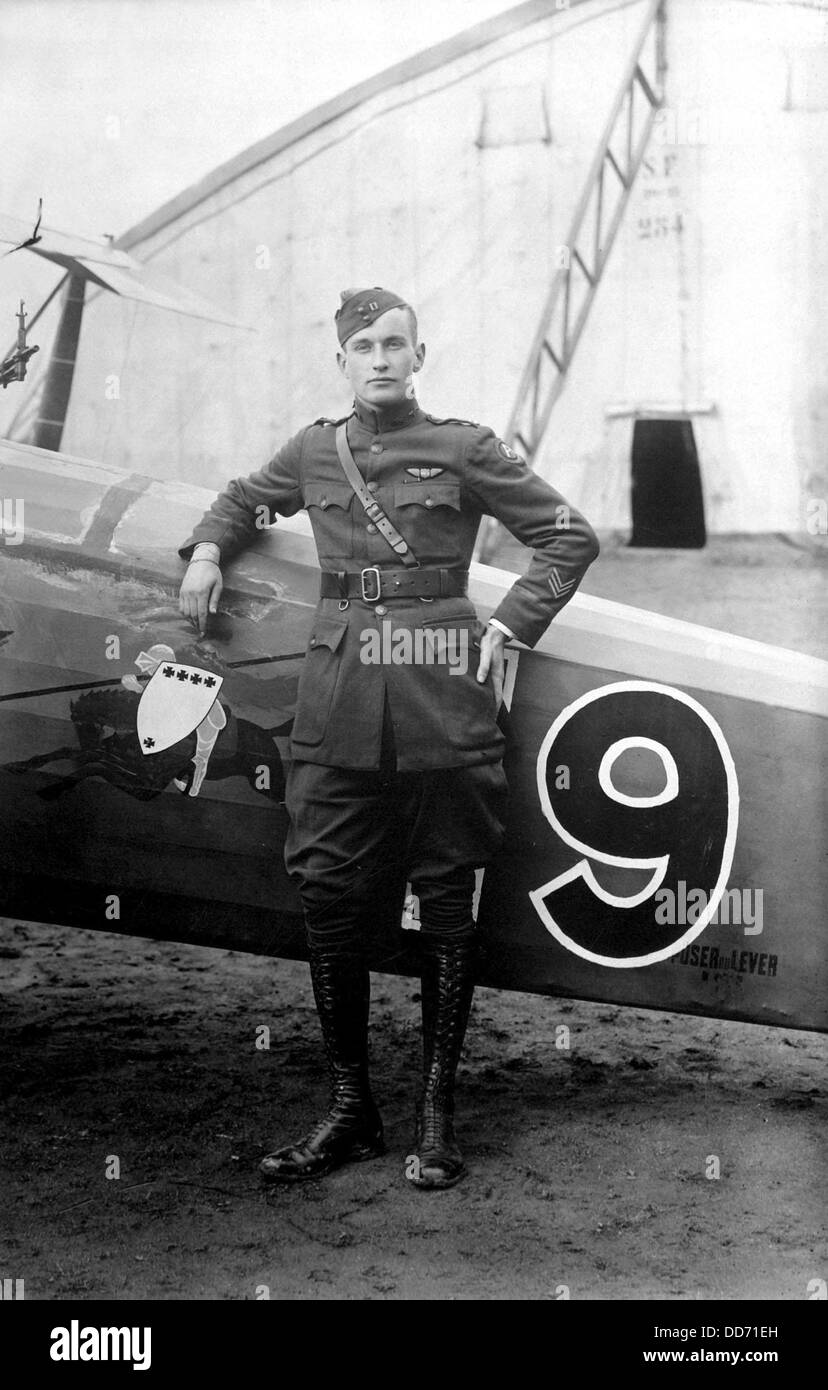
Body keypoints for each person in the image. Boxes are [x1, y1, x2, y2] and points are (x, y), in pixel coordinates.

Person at [178, 287, 599, 1189]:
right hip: (337, 702)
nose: (379, 358)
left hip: (442, 695)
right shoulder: (314, 450)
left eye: (394, 344)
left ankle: (437, 1118)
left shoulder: (464, 448)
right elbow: (241, 499)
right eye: (363, 345)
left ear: (419, 355)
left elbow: (568, 536)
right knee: (329, 896)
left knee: (447, 901)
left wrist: (516, 623)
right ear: (342, 360)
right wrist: (209, 550)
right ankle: (349, 1109)